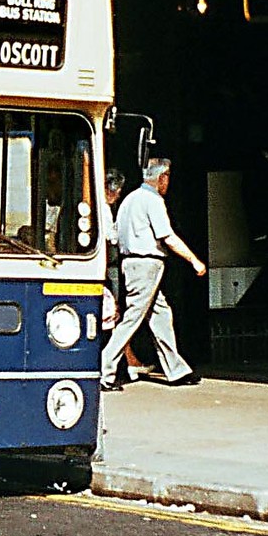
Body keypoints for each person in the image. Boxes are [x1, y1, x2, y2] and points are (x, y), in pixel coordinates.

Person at [101, 157, 205, 391]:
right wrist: (193, 260)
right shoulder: (152, 200)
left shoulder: (128, 200)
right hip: (146, 263)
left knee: (160, 314)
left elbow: (116, 236)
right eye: (167, 178)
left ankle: (176, 369)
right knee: (133, 318)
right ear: (162, 178)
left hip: (131, 262)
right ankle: (104, 369)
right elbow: (167, 236)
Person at [101, 168, 125, 335]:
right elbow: (112, 237)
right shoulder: (104, 209)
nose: (118, 196)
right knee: (113, 308)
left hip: (111, 265)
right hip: (108, 265)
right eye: (117, 192)